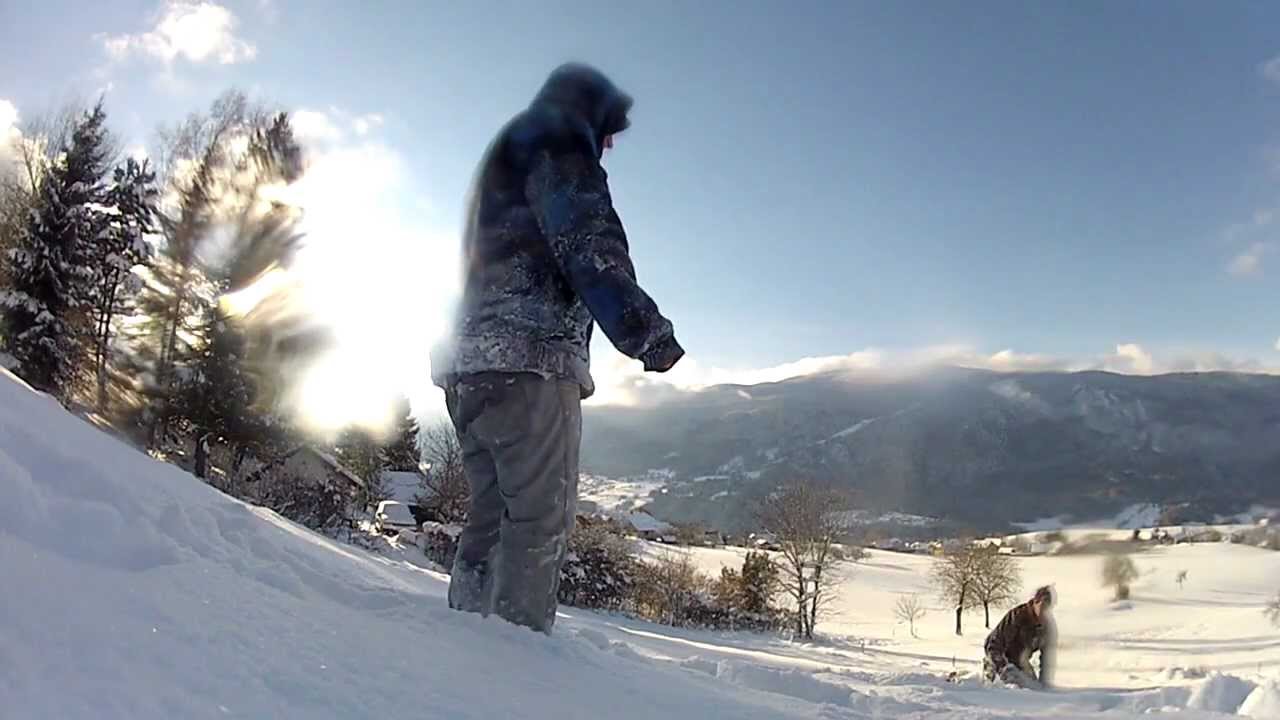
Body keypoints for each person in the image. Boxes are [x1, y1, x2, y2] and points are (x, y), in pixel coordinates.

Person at [430, 63, 684, 634]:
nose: (610, 145)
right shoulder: (560, 142)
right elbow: (588, 245)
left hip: (469, 364)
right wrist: (647, 333)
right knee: (538, 521)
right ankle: (515, 656)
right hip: (529, 360)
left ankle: (464, 640)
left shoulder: (509, 148)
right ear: (593, 113)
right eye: (610, 130)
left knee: (491, 516)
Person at [983, 585, 1057, 689]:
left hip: (1020, 662)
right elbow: (994, 645)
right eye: (1043, 605)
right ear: (1035, 602)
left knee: (1034, 687)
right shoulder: (1017, 616)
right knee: (1006, 686)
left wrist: (1044, 685)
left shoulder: (1049, 627)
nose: (1045, 611)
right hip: (997, 657)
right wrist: (1003, 669)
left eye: (1048, 607)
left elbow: (1047, 660)